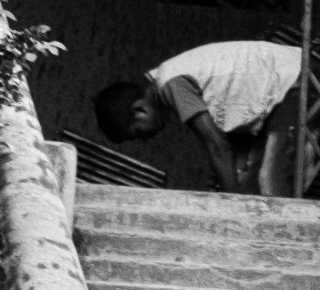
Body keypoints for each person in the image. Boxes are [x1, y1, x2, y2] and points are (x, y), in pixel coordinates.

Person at [94, 40, 303, 197]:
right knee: (248, 185)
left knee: (270, 182)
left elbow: (217, 146)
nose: (147, 138)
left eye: (139, 133)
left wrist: (233, 203)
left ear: (140, 110)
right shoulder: (170, 79)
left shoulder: (172, 84)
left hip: (299, 83)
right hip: (282, 97)